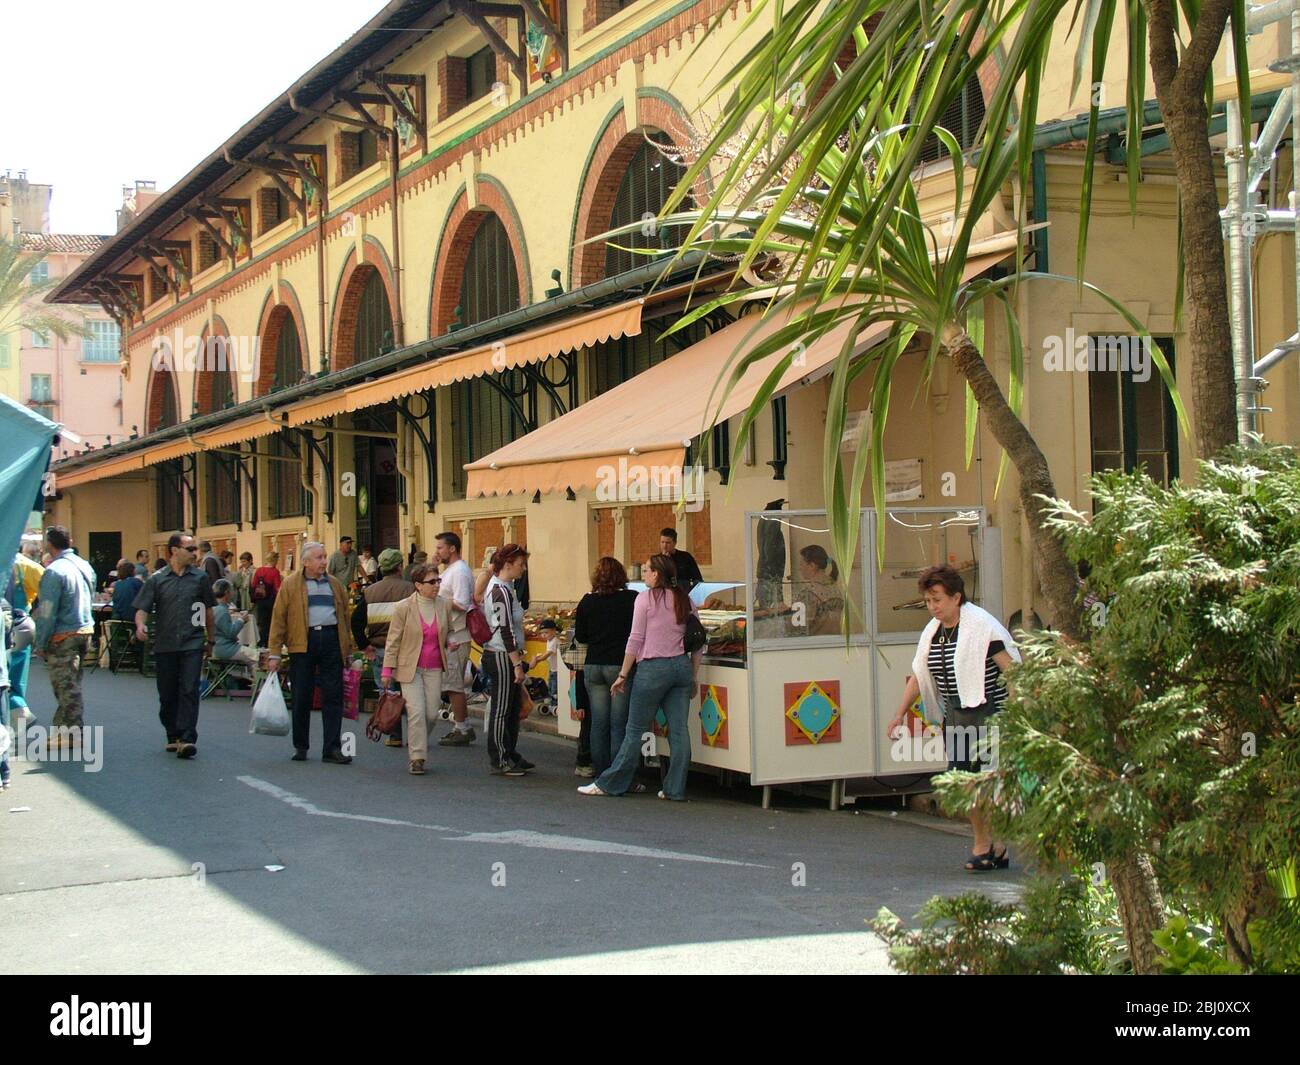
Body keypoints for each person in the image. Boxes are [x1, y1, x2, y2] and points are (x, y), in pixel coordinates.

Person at [886, 564, 1020, 872]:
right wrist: (898, 715)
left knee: (986, 782)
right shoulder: (932, 633)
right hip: (958, 717)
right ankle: (993, 844)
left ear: (956, 597)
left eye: (937, 599)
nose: (932, 607)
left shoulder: (982, 628)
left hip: (992, 715)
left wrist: (1019, 712)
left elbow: (1011, 670)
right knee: (963, 782)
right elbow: (920, 675)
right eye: (928, 600)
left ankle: (984, 845)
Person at [579, 554, 700, 801]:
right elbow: (698, 641)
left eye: (646, 571)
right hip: (680, 667)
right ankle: (674, 788)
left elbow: (635, 640)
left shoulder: (645, 600)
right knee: (679, 731)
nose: (643, 575)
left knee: (633, 730)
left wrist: (623, 674)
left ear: (656, 574)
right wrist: (693, 675)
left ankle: (610, 783)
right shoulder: (684, 599)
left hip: (652, 668)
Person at [266, 541, 354, 764]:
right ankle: (301, 746)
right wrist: (274, 653)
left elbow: (344, 617)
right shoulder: (290, 585)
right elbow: (279, 619)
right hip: (302, 643)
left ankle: (332, 748)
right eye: (319, 557)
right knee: (302, 695)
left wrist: (348, 650)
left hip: (331, 640)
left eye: (324, 557)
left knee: (333, 695)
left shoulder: (335, 584)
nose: (324, 561)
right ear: (305, 562)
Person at [132, 531, 216, 759]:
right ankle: (172, 734)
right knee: (167, 693)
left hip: (193, 642)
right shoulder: (157, 579)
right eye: (190, 549)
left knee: (189, 689)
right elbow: (142, 609)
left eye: (195, 549)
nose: (194, 553)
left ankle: (187, 738)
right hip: (165, 644)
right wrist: (140, 626)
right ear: (174, 551)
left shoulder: (200, 578)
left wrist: (210, 639)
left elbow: (208, 610)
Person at [381, 562, 453, 776]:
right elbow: (393, 640)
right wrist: (387, 670)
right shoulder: (404, 607)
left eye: (438, 581)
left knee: (431, 713)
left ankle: (418, 739)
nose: (436, 585)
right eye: (432, 582)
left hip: (434, 667)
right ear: (418, 585)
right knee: (416, 712)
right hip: (409, 669)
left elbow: (448, 630)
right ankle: (417, 757)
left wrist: (449, 642)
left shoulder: (443, 605)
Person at [574, 558, 639, 779]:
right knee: (619, 724)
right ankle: (618, 775)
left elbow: (580, 635)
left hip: (593, 665)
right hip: (620, 666)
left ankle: (602, 772)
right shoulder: (631, 599)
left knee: (598, 724)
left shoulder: (587, 601)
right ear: (621, 575)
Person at [33, 526, 97, 747]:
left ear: (49, 544)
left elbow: (47, 611)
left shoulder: (54, 571)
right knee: (72, 682)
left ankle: (72, 733)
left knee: (65, 686)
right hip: (85, 629)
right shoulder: (85, 566)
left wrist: (40, 642)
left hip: (63, 635)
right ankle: (63, 730)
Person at [350, 548, 415, 747]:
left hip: (380, 649)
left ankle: (394, 735)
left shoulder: (370, 592)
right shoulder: (411, 589)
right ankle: (416, 736)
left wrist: (365, 646)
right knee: (411, 693)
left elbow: (356, 621)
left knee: (388, 693)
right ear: (400, 567)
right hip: (408, 650)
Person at [482, 545, 531, 777]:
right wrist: (516, 663)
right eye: (521, 564)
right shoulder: (500, 591)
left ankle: (509, 753)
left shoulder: (505, 587)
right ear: (508, 564)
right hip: (501, 654)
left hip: (503, 653)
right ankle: (500, 758)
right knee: (502, 709)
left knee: (510, 709)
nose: (523, 568)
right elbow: (505, 629)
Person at [433, 532, 476, 747]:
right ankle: (462, 725)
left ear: (452, 548)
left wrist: (440, 600)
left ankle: (462, 727)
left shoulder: (459, 572)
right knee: (451, 683)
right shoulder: (450, 570)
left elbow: (463, 603)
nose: (437, 551)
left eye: (440, 547)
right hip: (450, 634)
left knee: (454, 684)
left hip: (457, 635)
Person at [754, 545, 844, 637]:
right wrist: (790, 610)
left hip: (814, 645)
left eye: (801, 564)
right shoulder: (835, 588)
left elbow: (795, 627)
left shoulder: (810, 592)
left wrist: (780, 616)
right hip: (833, 643)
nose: (800, 568)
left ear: (812, 566)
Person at [7, 552, 43, 720]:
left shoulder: (23, 565)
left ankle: (16, 713)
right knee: (15, 675)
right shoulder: (25, 565)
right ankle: (18, 711)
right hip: (20, 626)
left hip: (12, 626)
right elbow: (50, 595)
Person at [212, 579, 258, 667]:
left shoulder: (214, 609)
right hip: (226, 649)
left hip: (218, 647)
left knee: (250, 654)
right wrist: (241, 620)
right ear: (227, 593)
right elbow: (231, 633)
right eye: (232, 591)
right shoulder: (222, 611)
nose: (233, 594)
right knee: (256, 656)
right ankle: (257, 679)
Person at [251, 552, 283, 643]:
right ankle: (268, 642)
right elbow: (277, 588)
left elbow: (253, 585)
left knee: (261, 621)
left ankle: (261, 641)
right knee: (270, 622)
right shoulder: (275, 572)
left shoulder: (259, 570)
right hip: (270, 600)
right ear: (275, 560)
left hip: (260, 600)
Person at [658, 528, 703, 592]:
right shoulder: (657, 560)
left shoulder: (686, 557)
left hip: (684, 592)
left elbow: (697, 578)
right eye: (662, 542)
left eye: (668, 543)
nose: (664, 546)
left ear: (674, 543)